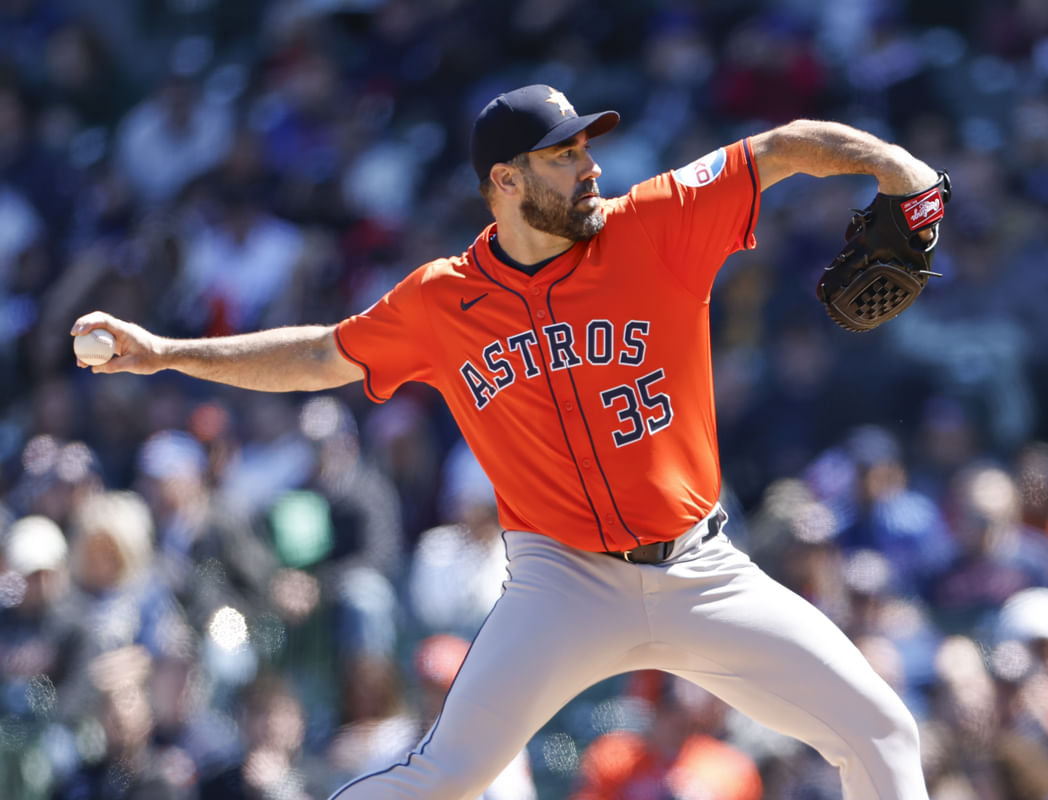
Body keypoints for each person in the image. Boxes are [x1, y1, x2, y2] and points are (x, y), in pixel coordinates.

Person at [71, 83, 942, 799]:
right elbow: (316, 354)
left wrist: (896, 167)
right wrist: (167, 354)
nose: (590, 166)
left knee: (879, 732)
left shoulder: (656, 223)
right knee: (441, 775)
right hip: (561, 583)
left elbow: (784, 145)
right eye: (565, 155)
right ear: (507, 182)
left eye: (586, 147)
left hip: (701, 570)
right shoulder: (442, 300)